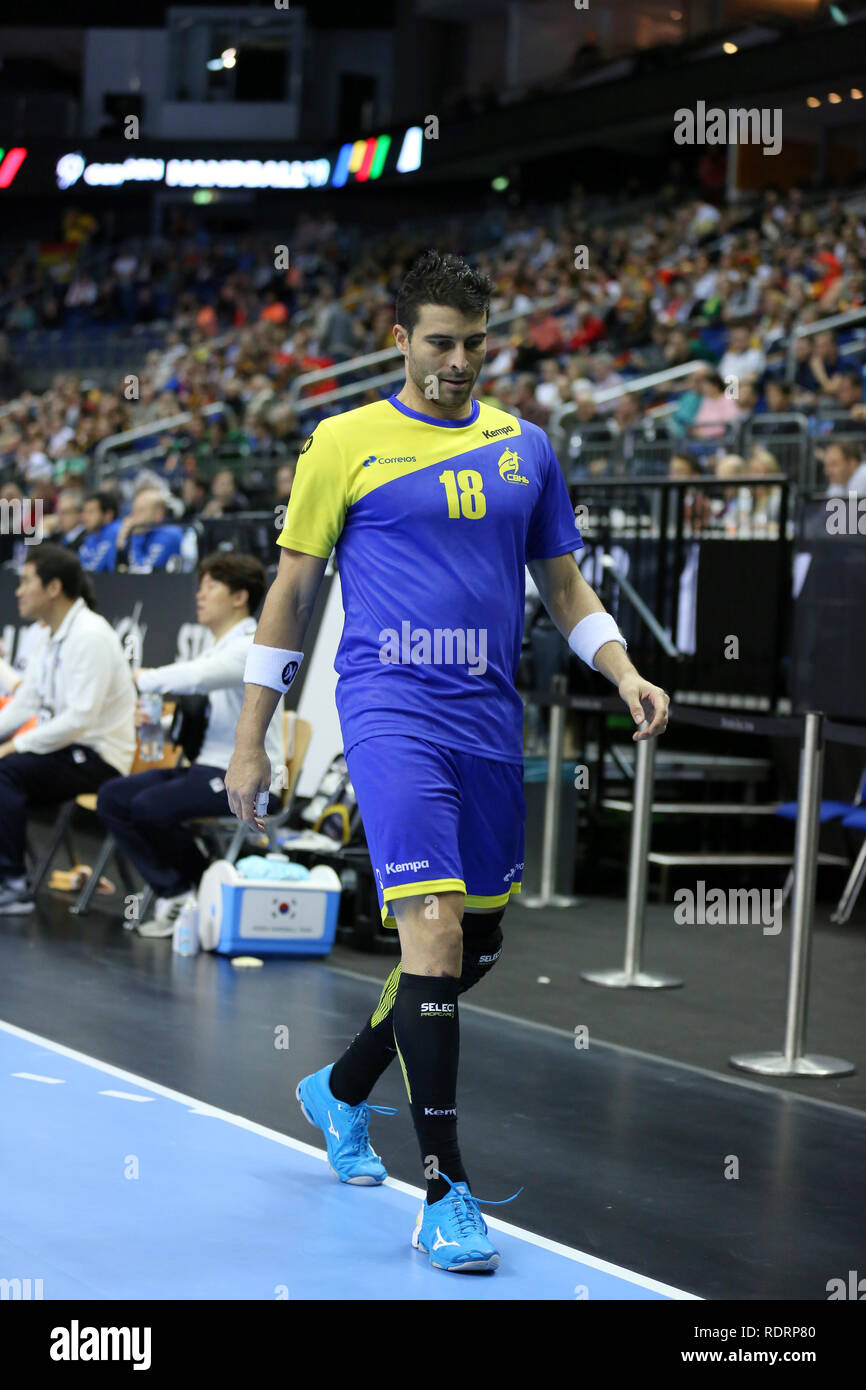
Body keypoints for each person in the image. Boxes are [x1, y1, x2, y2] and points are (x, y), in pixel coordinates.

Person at [224, 250, 670, 1275]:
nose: (457, 361)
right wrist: (253, 732)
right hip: (386, 703)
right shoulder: (343, 442)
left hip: (483, 711)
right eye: (438, 342)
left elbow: (562, 585)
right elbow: (291, 594)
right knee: (425, 928)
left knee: (467, 948)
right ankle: (446, 1189)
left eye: (473, 342)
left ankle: (337, 1090)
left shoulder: (528, 447)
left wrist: (620, 667)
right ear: (399, 340)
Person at [96, 554, 284, 937]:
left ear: (239, 597)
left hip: (253, 782)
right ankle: (181, 889)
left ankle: (193, 890)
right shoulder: (217, 650)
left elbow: (196, 679)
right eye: (200, 586)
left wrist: (143, 677)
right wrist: (162, 727)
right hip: (208, 768)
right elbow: (203, 721)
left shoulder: (250, 647)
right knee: (114, 797)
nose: (200, 595)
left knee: (150, 807)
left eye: (211, 586)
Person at [0, 545, 136, 913]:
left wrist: (16, 745)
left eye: (26, 581)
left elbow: (80, 719)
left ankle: (11, 884)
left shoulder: (89, 635)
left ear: (53, 588)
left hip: (100, 758)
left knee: (6, 772)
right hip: (69, 750)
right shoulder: (49, 635)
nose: (18, 590)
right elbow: (26, 701)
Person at [114, 487, 184, 571]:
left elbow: (143, 572)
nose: (132, 516)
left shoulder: (170, 534)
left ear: (159, 514)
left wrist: (136, 536)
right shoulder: (143, 533)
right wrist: (120, 545)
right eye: (133, 510)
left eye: (140, 510)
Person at [78, 491, 121, 572]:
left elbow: (97, 569)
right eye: (84, 512)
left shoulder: (116, 531)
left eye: (91, 512)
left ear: (108, 514)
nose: (85, 517)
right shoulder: (91, 536)